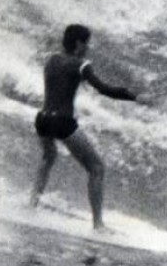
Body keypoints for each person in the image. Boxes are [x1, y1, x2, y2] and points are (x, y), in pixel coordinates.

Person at [30, 24, 138, 230]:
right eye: (87, 43)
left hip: (42, 120)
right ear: (79, 43)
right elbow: (104, 89)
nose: (88, 47)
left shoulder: (51, 60)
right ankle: (98, 225)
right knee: (97, 168)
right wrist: (135, 97)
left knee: (48, 157)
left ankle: (31, 204)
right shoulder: (81, 64)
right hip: (62, 123)